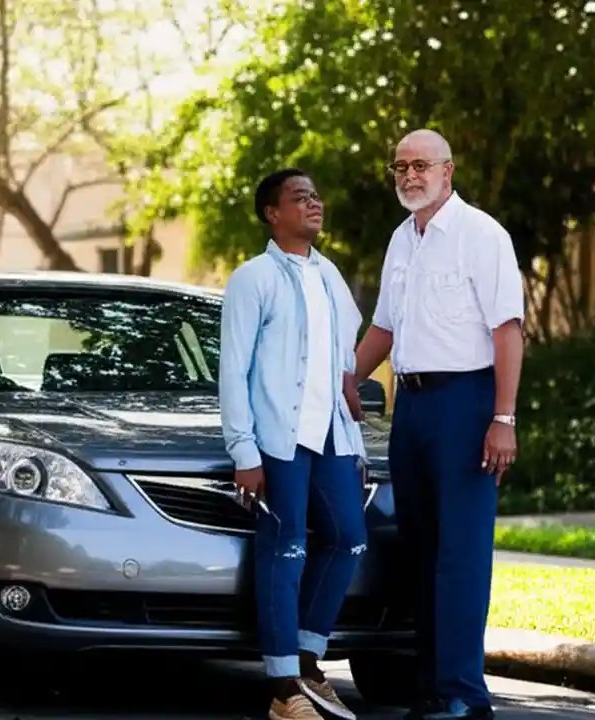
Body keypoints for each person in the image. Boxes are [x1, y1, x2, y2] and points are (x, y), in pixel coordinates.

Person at [353, 129, 524, 720]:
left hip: (467, 404)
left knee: (461, 552)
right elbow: (384, 328)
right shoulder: (402, 239)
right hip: (413, 406)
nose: (409, 175)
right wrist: (346, 381)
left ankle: (464, 693)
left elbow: (508, 331)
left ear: (448, 171)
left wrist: (503, 417)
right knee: (420, 550)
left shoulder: (482, 234)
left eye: (420, 165)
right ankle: (429, 686)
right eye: (400, 166)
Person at [220, 168, 370, 720]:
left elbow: (343, 362)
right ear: (272, 213)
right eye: (300, 197)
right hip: (278, 441)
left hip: (330, 436)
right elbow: (233, 370)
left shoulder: (329, 275)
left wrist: (354, 438)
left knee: (348, 538)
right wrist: (244, 450)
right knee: (285, 550)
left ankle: (307, 662)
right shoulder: (252, 278)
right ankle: (283, 689)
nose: (314, 203)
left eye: (316, 195)